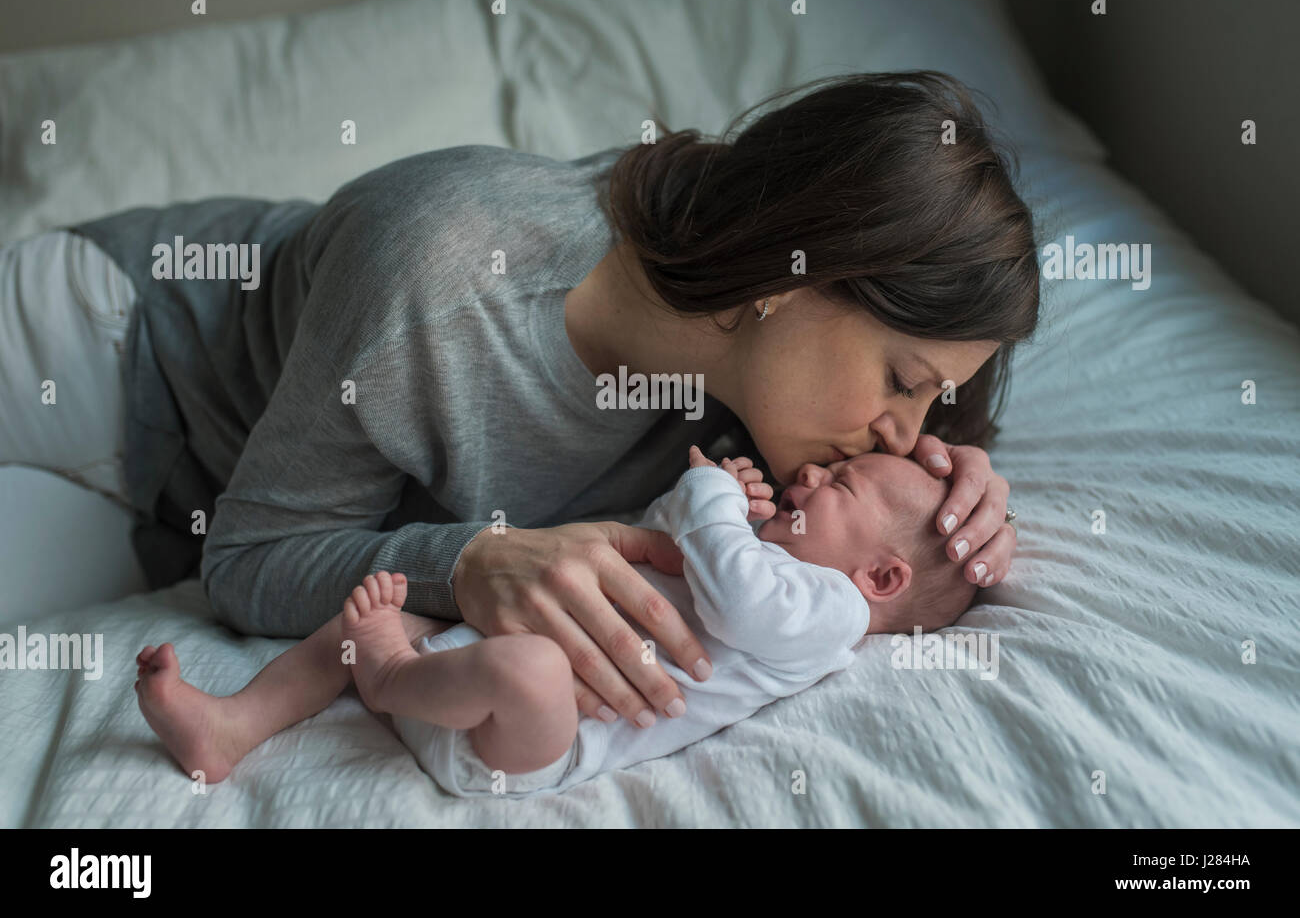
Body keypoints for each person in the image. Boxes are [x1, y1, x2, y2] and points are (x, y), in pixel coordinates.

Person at [0, 70, 1031, 730]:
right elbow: (250, 562)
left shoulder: (768, 391)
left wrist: (951, 488)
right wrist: (466, 561)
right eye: (904, 384)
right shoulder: (447, 274)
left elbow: (907, 481)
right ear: (790, 278)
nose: (905, 430)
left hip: (197, 500)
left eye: (932, 406)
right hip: (109, 352)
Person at [133, 444, 981, 794]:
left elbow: (738, 598)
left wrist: (715, 502)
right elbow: (638, 550)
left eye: (839, 488)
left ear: (881, 575)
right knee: (369, 610)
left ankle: (389, 678)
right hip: (470, 667)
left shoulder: (828, 612)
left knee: (524, 667)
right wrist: (699, 510)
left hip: (525, 741)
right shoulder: (771, 557)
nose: (810, 475)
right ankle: (232, 723)